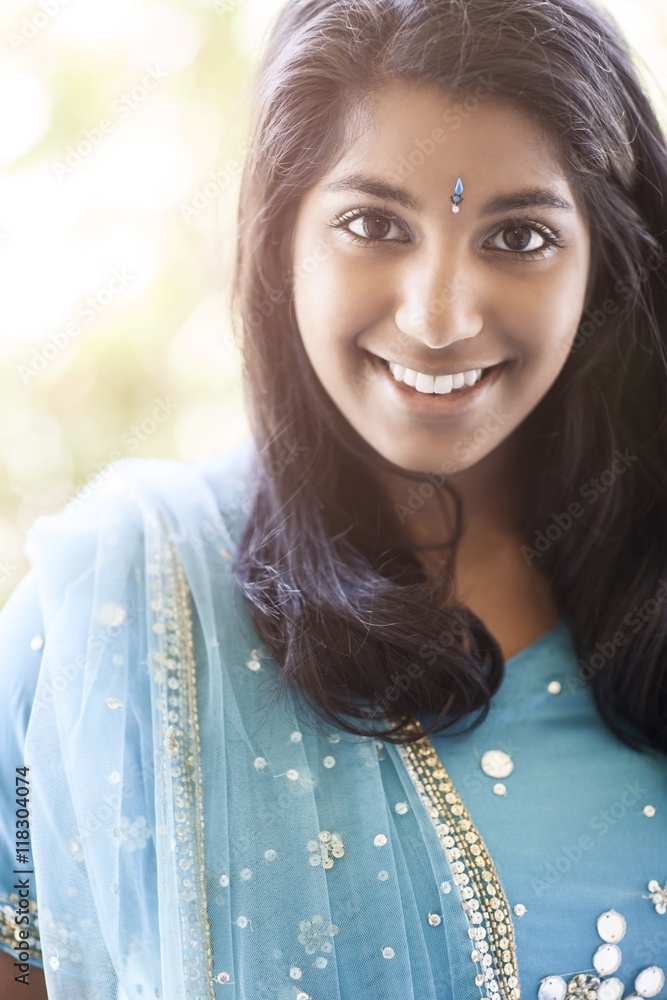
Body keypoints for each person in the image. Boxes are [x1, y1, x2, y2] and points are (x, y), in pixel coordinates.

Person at [2, 0, 667, 996]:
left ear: (604, 260)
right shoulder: (120, 611)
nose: (438, 316)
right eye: (373, 224)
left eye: (518, 236)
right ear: (281, 240)